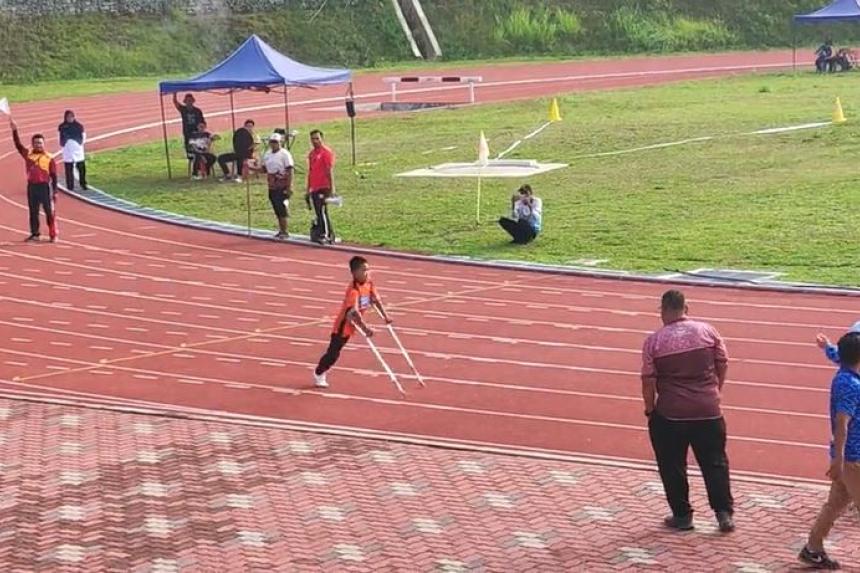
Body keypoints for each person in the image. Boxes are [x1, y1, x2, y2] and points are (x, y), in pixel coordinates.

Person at [642, 289, 734, 533]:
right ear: (687, 308)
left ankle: (682, 516)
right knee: (715, 462)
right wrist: (715, 391)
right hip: (709, 410)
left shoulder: (655, 341)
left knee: (672, 465)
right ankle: (724, 514)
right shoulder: (707, 331)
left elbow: (648, 379)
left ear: (663, 310)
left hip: (671, 414)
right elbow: (723, 362)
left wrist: (650, 409)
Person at [798, 332, 860, 570]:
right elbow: (842, 423)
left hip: (847, 458)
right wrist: (839, 459)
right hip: (853, 458)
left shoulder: (848, 374)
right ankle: (812, 548)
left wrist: (827, 348)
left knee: (835, 504)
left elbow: (841, 357)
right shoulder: (851, 386)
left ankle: (813, 548)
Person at [313, 256, 392, 389]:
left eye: (368, 270)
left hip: (354, 324)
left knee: (335, 352)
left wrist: (386, 316)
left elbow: (376, 300)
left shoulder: (369, 283)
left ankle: (321, 371)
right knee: (333, 353)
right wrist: (366, 328)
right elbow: (353, 313)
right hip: (343, 327)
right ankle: (319, 373)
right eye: (364, 270)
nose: (367, 273)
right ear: (355, 273)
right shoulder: (353, 291)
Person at [10, 118, 59, 242]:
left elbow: (54, 176)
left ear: (44, 144)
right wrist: (14, 130)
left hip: (45, 187)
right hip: (32, 187)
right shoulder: (28, 155)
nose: (38, 144)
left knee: (49, 212)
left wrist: (55, 191)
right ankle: (35, 233)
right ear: (32, 144)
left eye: (40, 142)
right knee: (33, 211)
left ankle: (53, 234)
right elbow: (18, 145)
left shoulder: (49, 158)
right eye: (36, 142)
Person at [254, 133, 294, 239]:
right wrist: (253, 169)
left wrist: (289, 186)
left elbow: (290, 170)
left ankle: (284, 230)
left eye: (276, 142)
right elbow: (264, 169)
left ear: (280, 142)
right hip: (272, 185)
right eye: (272, 142)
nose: (274, 144)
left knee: (281, 207)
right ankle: (281, 229)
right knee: (276, 207)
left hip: (282, 184)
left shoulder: (285, 154)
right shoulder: (267, 154)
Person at [305, 129, 338, 245]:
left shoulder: (326, 152)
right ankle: (329, 234)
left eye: (317, 138)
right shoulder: (312, 154)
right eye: (312, 139)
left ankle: (325, 234)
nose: (315, 141)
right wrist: (308, 189)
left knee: (322, 210)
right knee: (319, 211)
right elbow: (310, 171)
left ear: (322, 139)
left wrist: (332, 188)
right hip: (315, 187)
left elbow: (329, 170)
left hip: (324, 186)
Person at [58, 110, 87, 191]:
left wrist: (79, 144)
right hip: (67, 150)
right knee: (68, 169)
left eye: (71, 117)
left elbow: (83, 137)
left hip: (78, 150)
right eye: (68, 117)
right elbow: (59, 137)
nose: (70, 119)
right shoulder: (62, 127)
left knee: (81, 168)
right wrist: (63, 144)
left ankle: (83, 183)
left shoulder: (79, 126)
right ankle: (70, 186)